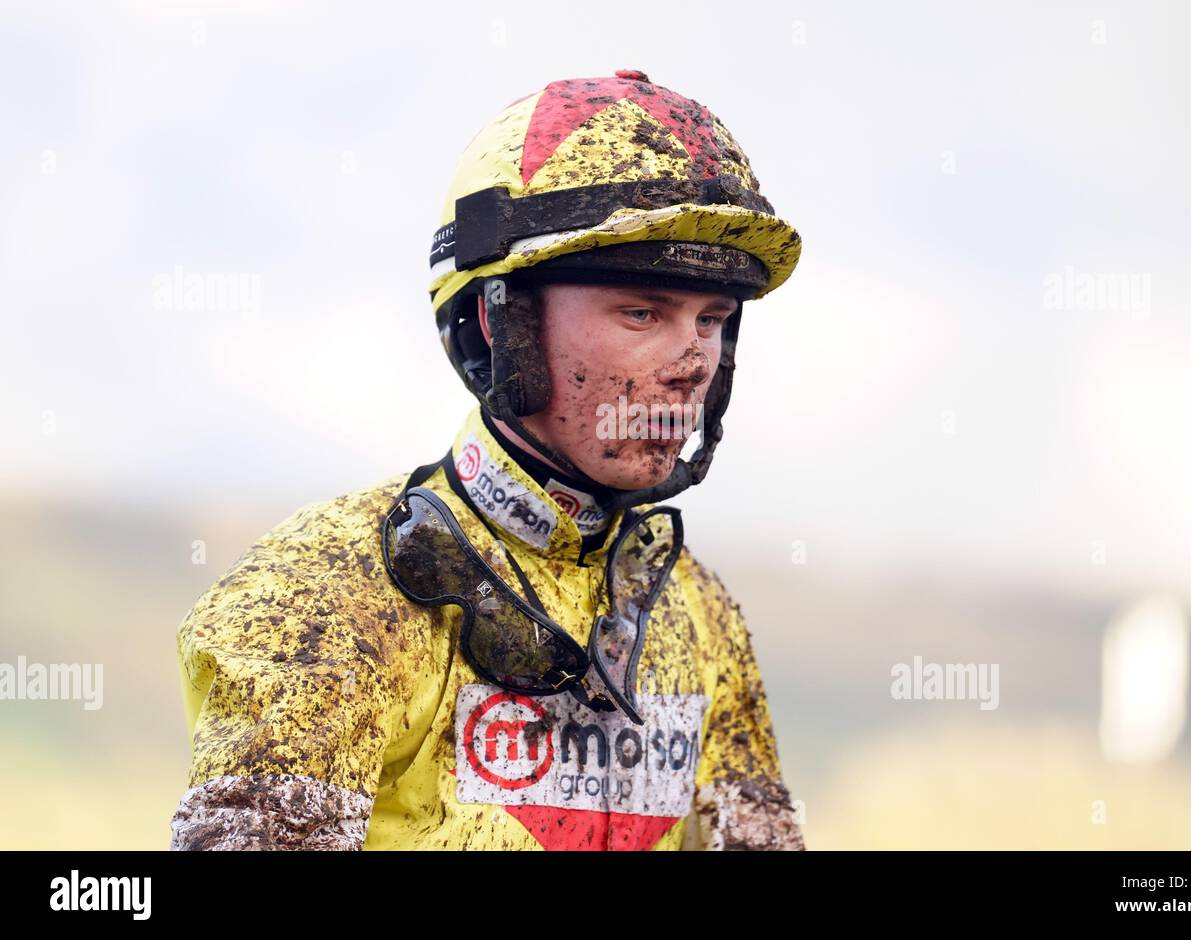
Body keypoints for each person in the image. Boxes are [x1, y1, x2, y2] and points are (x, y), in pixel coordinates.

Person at [168, 68, 804, 851]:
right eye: (643, 312)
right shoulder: (322, 593)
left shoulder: (700, 615)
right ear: (494, 325)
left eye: (713, 319)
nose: (691, 362)